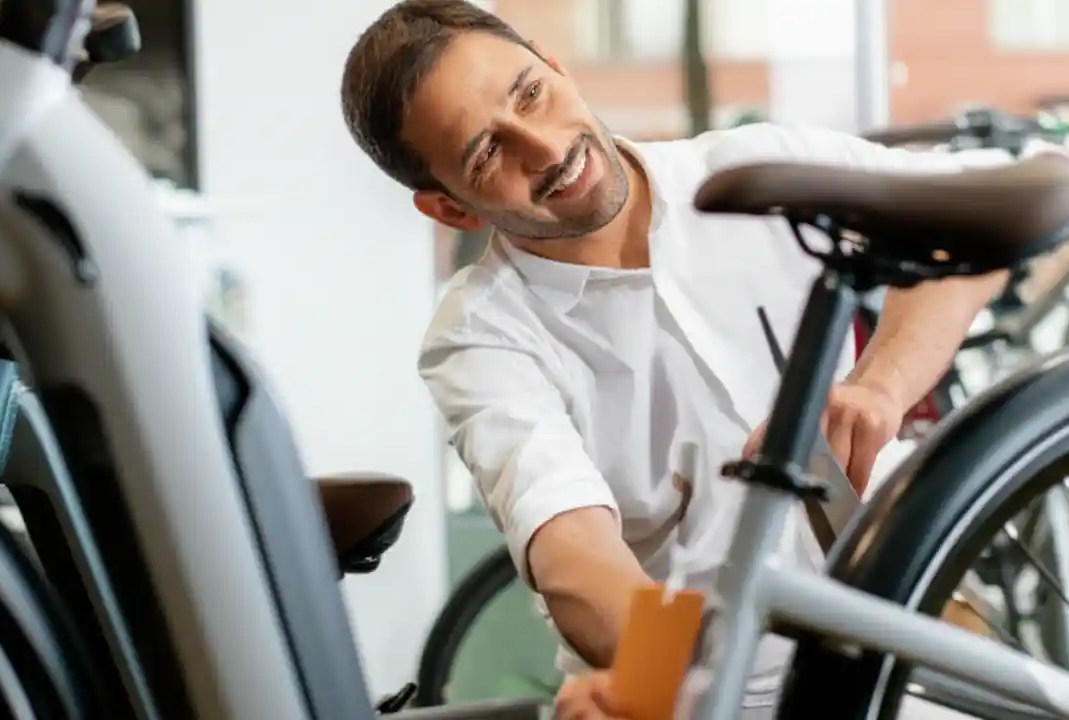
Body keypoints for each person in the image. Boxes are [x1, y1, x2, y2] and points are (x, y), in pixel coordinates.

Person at [340, 1, 1023, 715]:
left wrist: (879, 386)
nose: (543, 149)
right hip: (713, 689)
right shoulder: (482, 335)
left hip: (915, 618)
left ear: (553, 64)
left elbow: (987, 218)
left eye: (530, 93)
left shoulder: (754, 173)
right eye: (486, 153)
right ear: (451, 210)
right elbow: (573, 550)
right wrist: (669, 679)